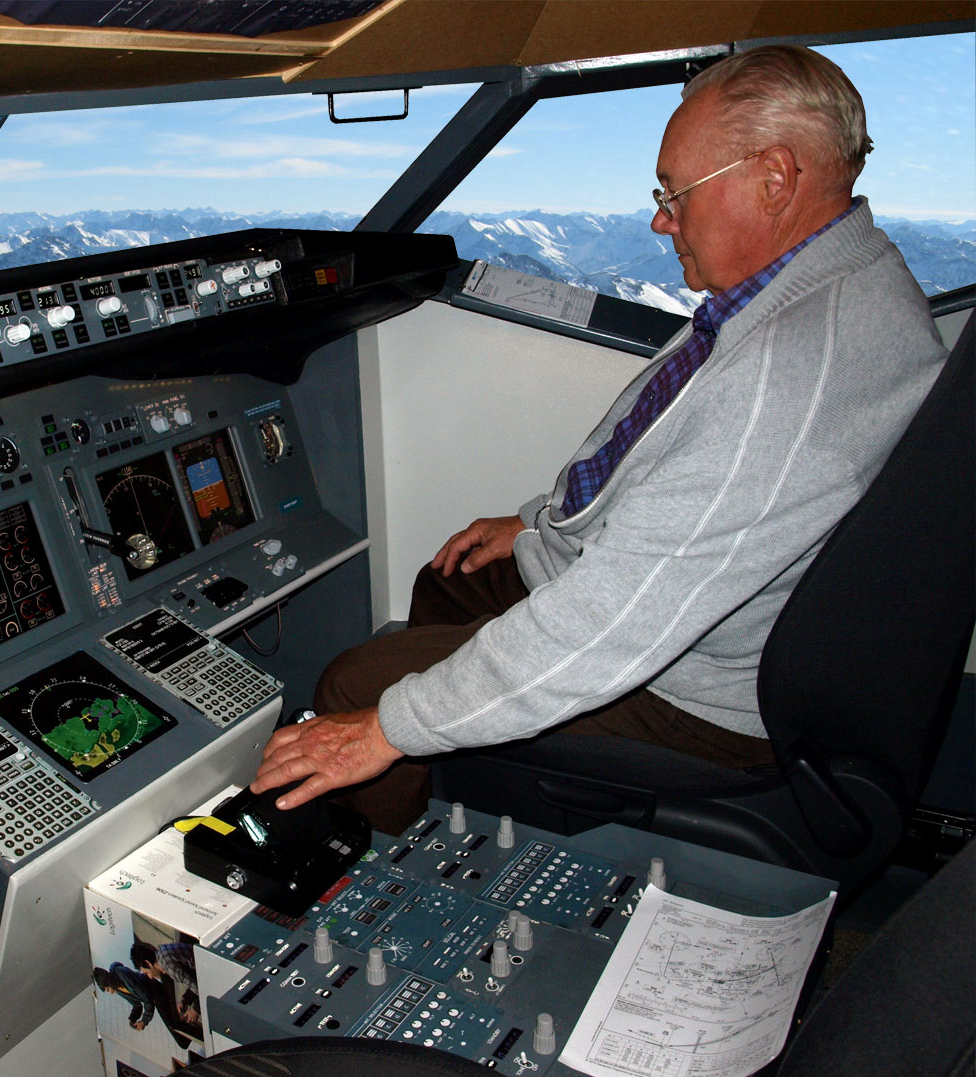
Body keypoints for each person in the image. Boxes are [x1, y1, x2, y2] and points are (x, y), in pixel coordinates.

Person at [250, 45, 948, 834]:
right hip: (710, 617)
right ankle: (443, 780)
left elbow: (611, 625)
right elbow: (672, 459)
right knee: (451, 573)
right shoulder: (831, 282)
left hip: (695, 689)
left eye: (676, 192)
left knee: (353, 685)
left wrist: (385, 729)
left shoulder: (789, 376)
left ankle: (369, 883)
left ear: (775, 178)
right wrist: (537, 523)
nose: (659, 218)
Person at [131, 940, 201, 1026]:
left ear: (148, 963)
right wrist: (186, 998)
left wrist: (196, 1010)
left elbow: (202, 988)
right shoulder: (163, 953)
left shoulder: (168, 965)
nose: (150, 977)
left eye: (147, 973)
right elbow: (193, 979)